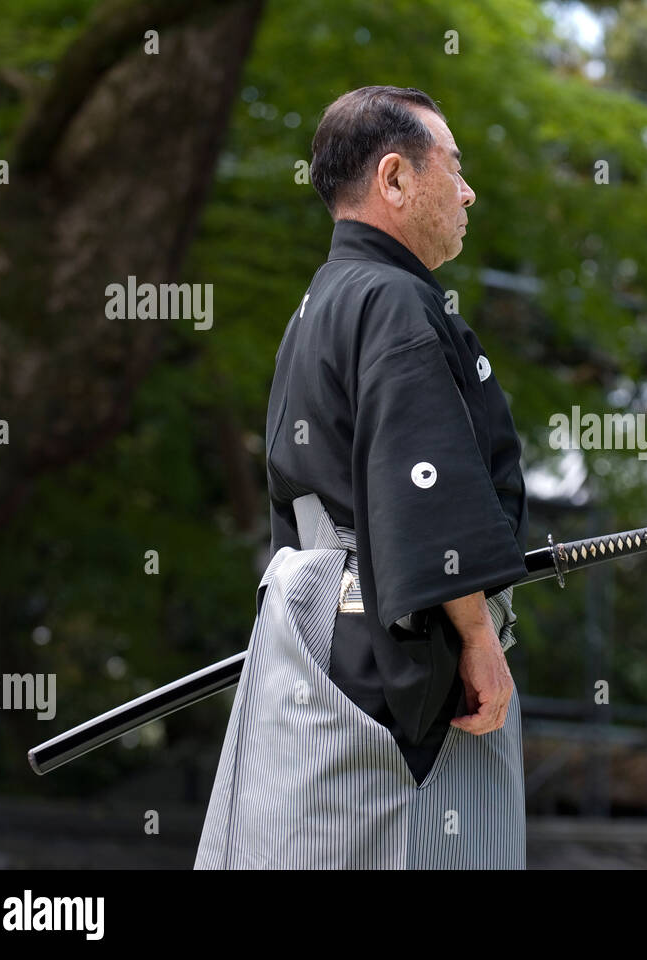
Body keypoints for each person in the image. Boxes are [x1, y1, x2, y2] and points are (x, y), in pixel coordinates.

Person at [195, 86, 530, 869]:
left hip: (306, 630)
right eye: (454, 166)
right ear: (395, 178)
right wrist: (478, 638)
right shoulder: (394, 300)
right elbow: (424, 484)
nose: (468, 189)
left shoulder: (323, 301)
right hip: (379, 643)